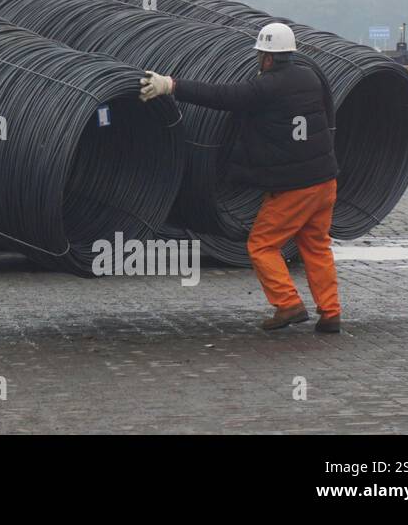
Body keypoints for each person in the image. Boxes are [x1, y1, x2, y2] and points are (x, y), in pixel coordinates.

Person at [139, 22, 342, 333]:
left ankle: (288, 304)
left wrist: (171, 85)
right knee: (316, 246)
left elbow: (222, 96)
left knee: (261, 245)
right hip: (325, 181)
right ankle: (330, 313)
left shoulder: (266, 87)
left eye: (261, 55)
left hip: (294, 188)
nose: (258, 60)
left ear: (270, 59)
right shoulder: (311, 77)